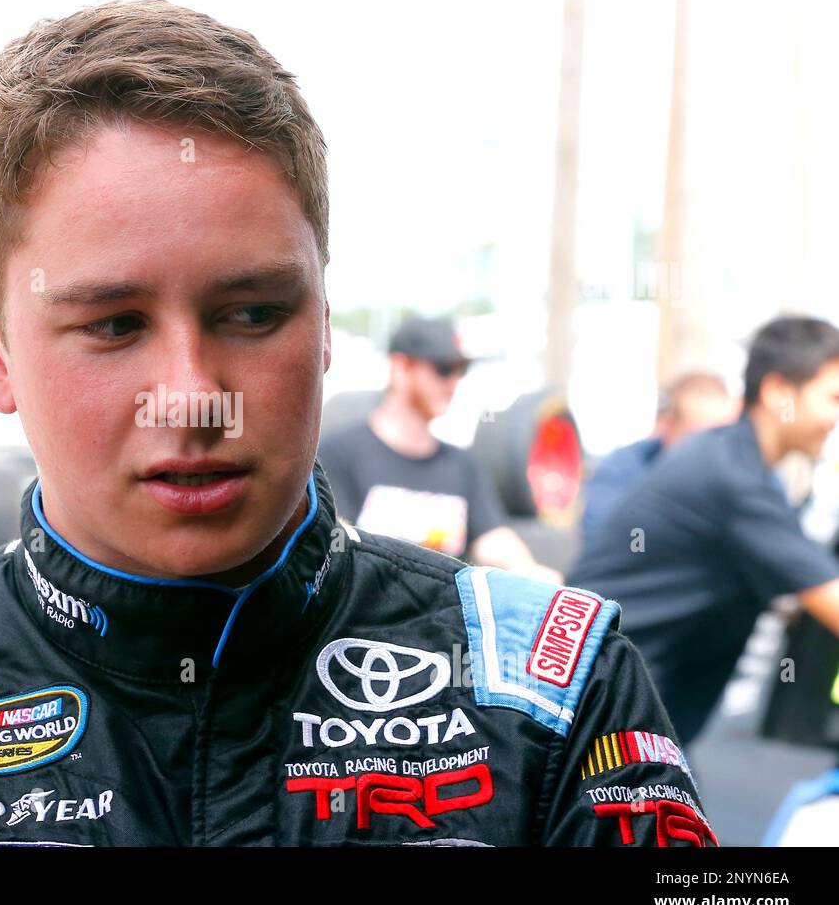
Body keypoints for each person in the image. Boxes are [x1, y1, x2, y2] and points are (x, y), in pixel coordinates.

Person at [0, 0, 712, 847]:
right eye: (113, 323)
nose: (191, 393)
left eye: (251, 313)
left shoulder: (553, 681)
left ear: (322, 321)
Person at [569, 316, 839, 746]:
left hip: (621, 708)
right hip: (600, 711)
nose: (836, 416)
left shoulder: (733, 461)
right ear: (777, 392)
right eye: (833, 398)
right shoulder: (734, 480)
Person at [319, 316, 563, 583]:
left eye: (462, 370)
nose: (454, 382)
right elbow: (336, 539)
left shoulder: (462, 465)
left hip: (441, 614)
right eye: (444, 369)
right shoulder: (341, 452)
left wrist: (528, 570)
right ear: (401, 368)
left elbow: (490, 536)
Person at [579, 371, 738, 537]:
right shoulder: (626, 469)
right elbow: (608, 541)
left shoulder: (741, 478)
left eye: (725, 438)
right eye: (701, 439)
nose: (714, 450)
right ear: (668, 427)